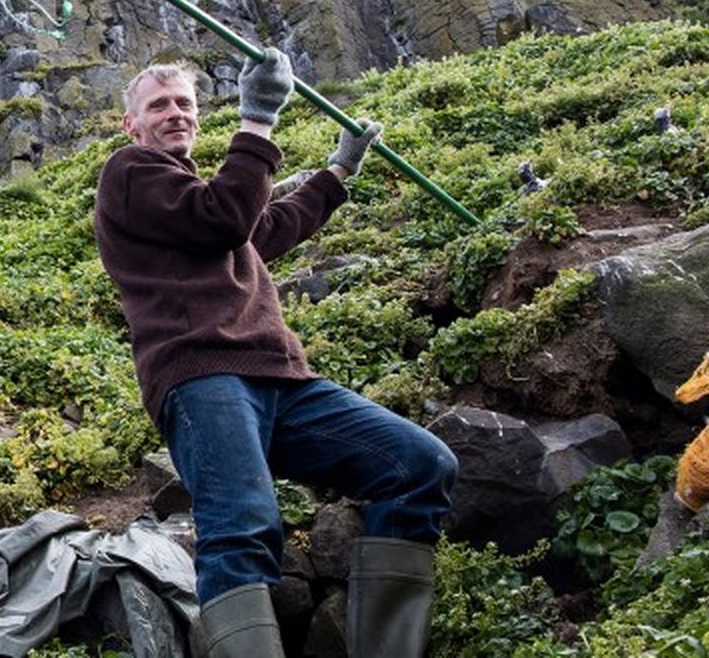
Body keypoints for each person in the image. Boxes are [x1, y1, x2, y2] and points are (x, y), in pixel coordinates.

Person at [93, 49, 457, 658]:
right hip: (204, 377)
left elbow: (265, 229)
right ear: (132, 125)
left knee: (419, 466)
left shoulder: (194, 201)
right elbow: (230, 219)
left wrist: (337, 173)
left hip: (281, 380)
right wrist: (258, 115)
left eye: (185, 102)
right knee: (241, 525)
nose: (175, 113)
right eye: (158, 105)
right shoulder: (130, 172)